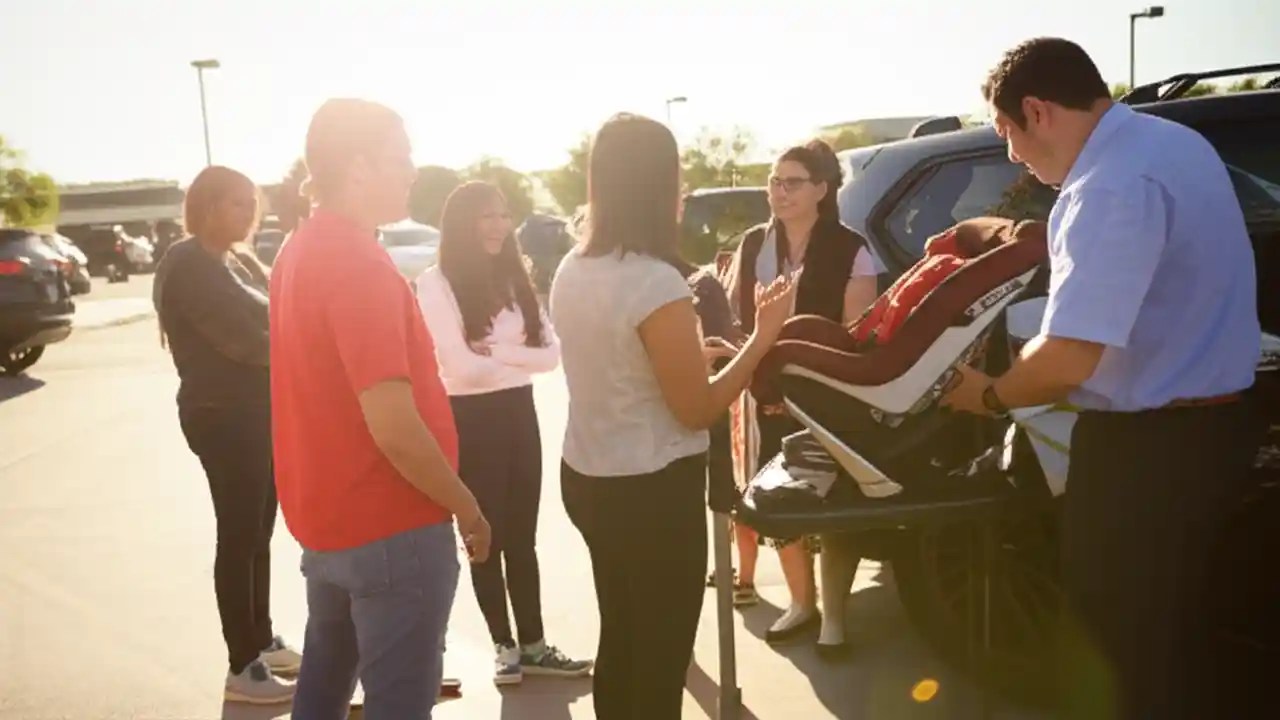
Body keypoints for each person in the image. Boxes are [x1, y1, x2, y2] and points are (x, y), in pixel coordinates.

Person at [943, 38, 1262, 719]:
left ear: (1037, 110)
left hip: (1152, 453)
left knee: (1122, 645)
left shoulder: (1109, 186)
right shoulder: (1171, 143)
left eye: (1006, 134)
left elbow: (1066, 359)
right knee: (1181, 634)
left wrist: (989, 394)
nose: (1012, 156)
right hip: (1215, 430)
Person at [551, 112, 798, 720]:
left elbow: (623, 361)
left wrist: (694, 355)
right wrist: (760, 339)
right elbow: (696, 410)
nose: (683, 191)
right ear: (657, 185)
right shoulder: (655, 281)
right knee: (659, 662)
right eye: (677, 177)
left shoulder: (574, 266)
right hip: (649, 491)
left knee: (623, 640)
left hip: (588, 475)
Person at [269, 98, 492, 720]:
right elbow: (393, 425)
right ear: (358, 166)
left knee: (321, 697)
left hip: (331, 524)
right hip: (390, 526)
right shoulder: (358, 264)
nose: (413, 171)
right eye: (402, 158)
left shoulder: (298, 251)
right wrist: (465, 505)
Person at [416, 181, 592, 685]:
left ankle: (535, 645)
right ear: (462, 222)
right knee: (482, 534)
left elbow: (551, 355)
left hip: (520, 413)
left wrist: (495, 352)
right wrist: (511, 359)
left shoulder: (515, 276)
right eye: (486, 216)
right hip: (469, 419)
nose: (498, 226)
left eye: (503, 216)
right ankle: (504, 646)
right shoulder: (435, 282)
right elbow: (459, 368)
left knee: (523, 538)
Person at [722, 140, 879, 650]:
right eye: (774, 181)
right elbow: (739, 322)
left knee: (834, 501)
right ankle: (801, 602)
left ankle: (834, 615)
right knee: (780, 502)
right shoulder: (751, 244)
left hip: (828, 396)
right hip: (765, 395)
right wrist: (753, 374)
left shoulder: (850, 248)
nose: (779, 191)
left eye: (792, 182)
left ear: (821, 189)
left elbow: (854, 333)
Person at [152, 166, 301, 705]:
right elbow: (243, 340)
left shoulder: (235, 260)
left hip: (258, 413)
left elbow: (280, 316)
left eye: (250, 203)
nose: (247, 212)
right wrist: (305, 351)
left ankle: (260, 639)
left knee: (258, 531)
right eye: (236, 203)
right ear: (207, 207)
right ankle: (242, 665)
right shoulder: (188, 262)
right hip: (223, 414)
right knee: (238, 536)